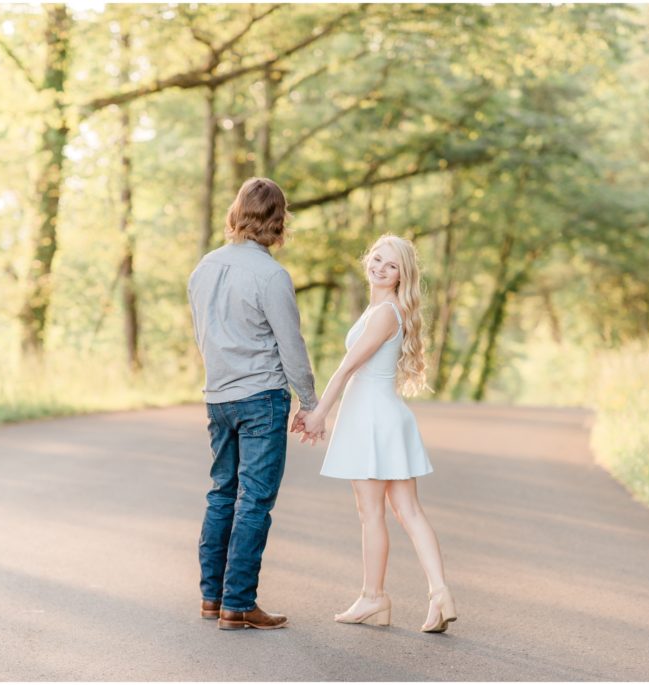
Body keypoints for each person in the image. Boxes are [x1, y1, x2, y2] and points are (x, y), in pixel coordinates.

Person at [297, 234, 459, 633]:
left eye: (392, 265)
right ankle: (438, 594)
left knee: (372, 513)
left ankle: (374, 597)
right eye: (377, 259)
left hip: (372, 419)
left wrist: (319, 414)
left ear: (402, 275)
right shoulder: (382, 310)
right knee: (408, 511)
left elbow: (346, 369)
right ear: (367, 259)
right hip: (382, 416)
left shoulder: (385, 313)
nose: (380, 268)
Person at [187, 177, 321, 631]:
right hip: (260, 396)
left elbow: (202, 335)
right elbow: (291, 345)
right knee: (254, 501)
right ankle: (239, 603)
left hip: (218, 396)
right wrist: (309, 401)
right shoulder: (271, 275)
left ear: (236, 212)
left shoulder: (203, 268)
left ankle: (212, 598)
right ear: (278, 222)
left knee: (222, 493)